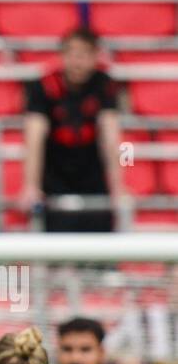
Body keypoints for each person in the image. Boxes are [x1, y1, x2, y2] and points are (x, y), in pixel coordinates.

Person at [21, 28, 123, 233]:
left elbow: (112, 137)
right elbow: (34, 137)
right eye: (73, 54)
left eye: (85, 55)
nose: (78, 62)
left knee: (100, 250)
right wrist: (30, 185)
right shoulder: (43, 86)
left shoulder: (104, 84)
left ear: (95, 57)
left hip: (93, 178)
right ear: (62, 56)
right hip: (55, 179)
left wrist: (118, 187)